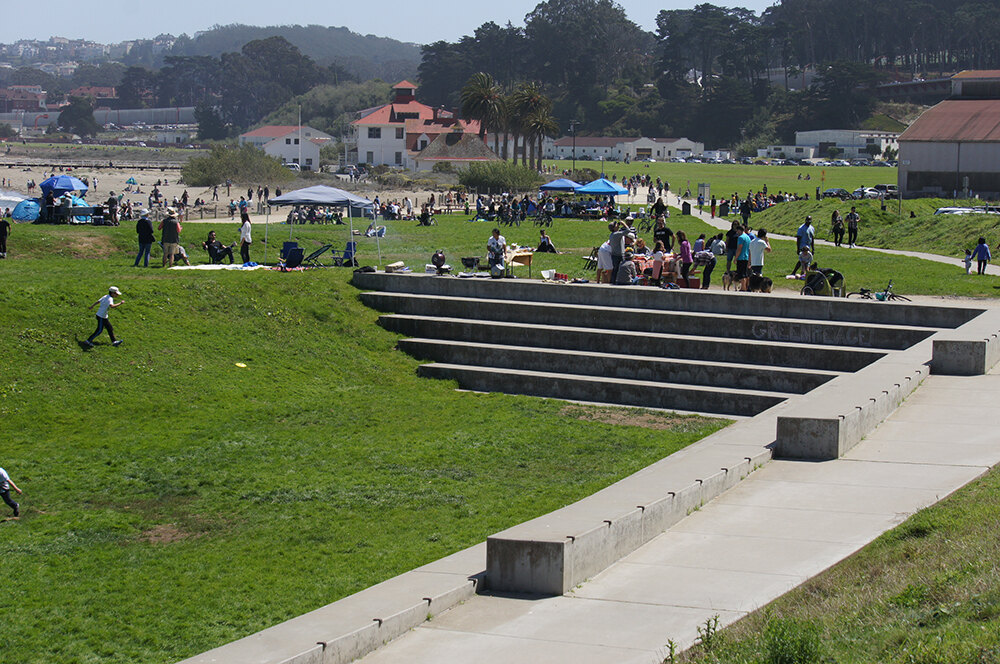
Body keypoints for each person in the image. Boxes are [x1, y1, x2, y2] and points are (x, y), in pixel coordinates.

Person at [735, 225, 752, 291]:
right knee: (745, 273)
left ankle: (743, 288)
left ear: (739, 230)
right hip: (746, 257)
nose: (737, 232)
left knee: (741, 274)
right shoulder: (748, 237)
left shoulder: (740, 238)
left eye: (737, 231)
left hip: (741, 257)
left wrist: (736, 257)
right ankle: (746, 287)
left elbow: (739, 248)